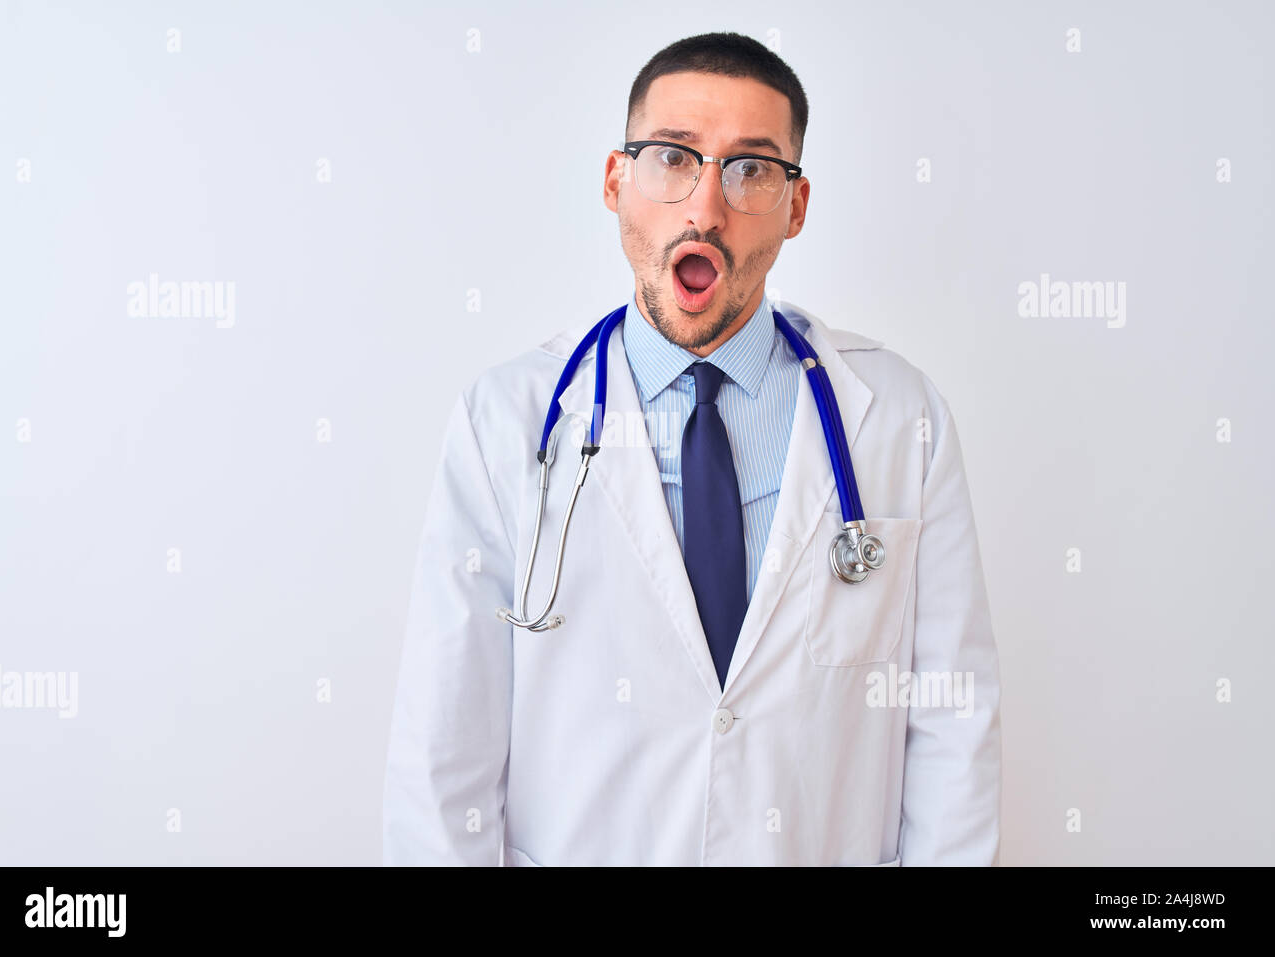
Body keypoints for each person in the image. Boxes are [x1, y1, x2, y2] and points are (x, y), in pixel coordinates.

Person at [383, 31, 1001, 866]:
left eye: (751, 170)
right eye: (673, 158)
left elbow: (953, 729)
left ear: (797, 204)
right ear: (616, 180)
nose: (706, 207)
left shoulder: (898, 419)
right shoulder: (507, 420)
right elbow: (441, 754)